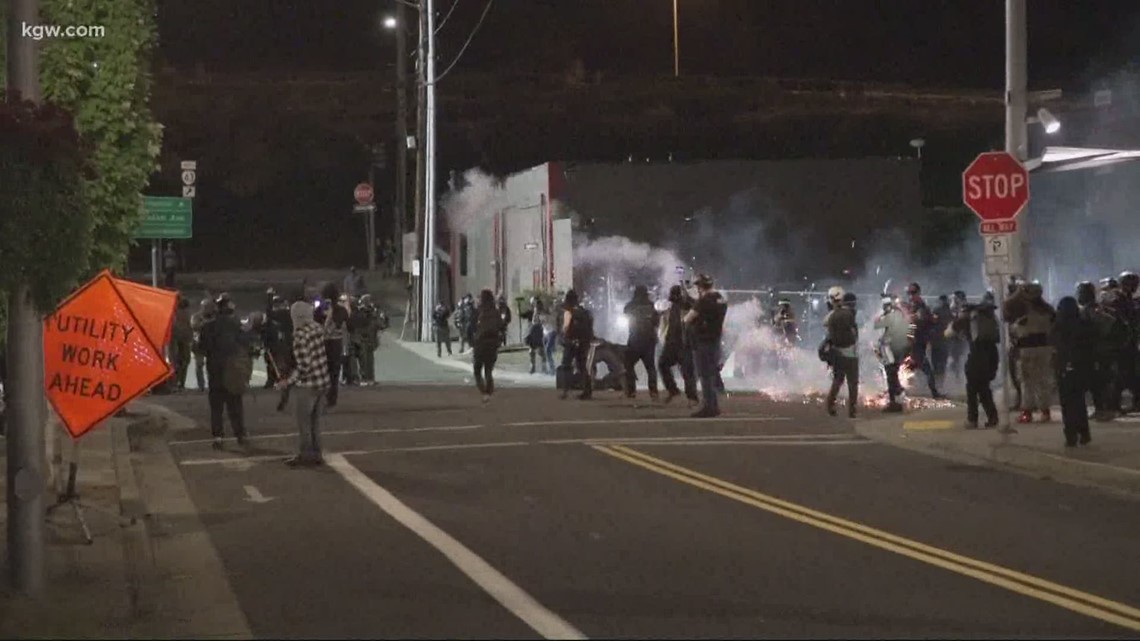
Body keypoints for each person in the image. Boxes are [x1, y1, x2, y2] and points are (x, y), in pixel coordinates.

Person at [276, 300, 331, 466]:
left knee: (304, 422)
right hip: (323, 381)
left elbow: (304, 365)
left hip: (308, 385)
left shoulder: (299, 335)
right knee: (315, 422)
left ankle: (306, 454)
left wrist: (287, 382)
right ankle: (317, 453)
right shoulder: (316, 328)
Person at [197, 293, 252, 449]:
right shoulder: (236, 326)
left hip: (215, 370)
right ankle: (240, 434)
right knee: (235, 404)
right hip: (232, 369)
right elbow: (245, 345)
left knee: (216, 406)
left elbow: (201, 348)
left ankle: (218, 436)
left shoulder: (207, 327)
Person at [1004, 281, 1056, 423]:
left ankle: (1027, 412)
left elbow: (1006, 310)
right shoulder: (1048, 310)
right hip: (1045, 349)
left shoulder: (1021, 312)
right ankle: (1045, 412)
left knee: (1027, 382)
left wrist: (1018, 293)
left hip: (1027, 350)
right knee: (1043, 380)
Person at [947, 292, 1000, 428]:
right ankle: (992, 417)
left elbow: (948, 332)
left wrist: (958, 324)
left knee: (972, 389)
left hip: (977, 355)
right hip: (992, 354)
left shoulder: (967, 319)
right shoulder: (988, 317)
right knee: (984, 388)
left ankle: (972, 419)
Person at [1050, 296, 1095, 446]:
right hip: (1082, 368)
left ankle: (1071, 435)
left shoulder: (1059, 326)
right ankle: (1084, 433)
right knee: (1079, 402)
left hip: (1065, 369)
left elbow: (1055, 344)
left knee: (1068, 404)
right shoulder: (1084, 324)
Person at [684, 274, 727, 418]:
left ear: (700, 286)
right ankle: (713, 405)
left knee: (705, 376)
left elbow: (687, 319)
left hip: (703, 341)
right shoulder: (720, 299)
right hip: (715, 340)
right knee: (711, 374)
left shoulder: (703, 301)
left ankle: (710, 406)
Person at [1077, 281, 1121, 421]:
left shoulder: (1093, 310)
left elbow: (1108, 324)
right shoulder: (1093, 309)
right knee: (1097, 381)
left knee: (1099, 381)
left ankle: (1104, 409)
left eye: (1081, 292)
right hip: (1099, 350)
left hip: (1098, 351)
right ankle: (1102, 408)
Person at [902, 283, 943, 399]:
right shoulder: (914, 306)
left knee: (910, 368)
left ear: (918, 292)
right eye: (909, 293)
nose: (911, 295)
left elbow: (916, 323)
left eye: (913, 293)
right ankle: (934, 393)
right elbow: (911, 324)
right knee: (924, 369)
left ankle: (895, 392)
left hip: (918, 342)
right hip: (914, 345)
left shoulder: (920, 306)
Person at [659, 285, 698, 405]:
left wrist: (686, 295)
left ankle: (692, 397)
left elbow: (696, 305)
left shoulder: (688, 306)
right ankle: (673, 390)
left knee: (687, 371)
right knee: (662, 364)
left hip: (684, 343)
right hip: (671, 342)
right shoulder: (672, 307)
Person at [824, 288, 859, 419]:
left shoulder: (833, 315)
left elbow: (828, 330)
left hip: (837, 352)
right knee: (853, 383)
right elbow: (854, 333)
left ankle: (830, 404)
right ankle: (852, 410)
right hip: (851, 353)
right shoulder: (850, 315)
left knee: (837, 380)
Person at [623, 285, 660, 399]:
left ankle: (631, 391)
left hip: (635, 339)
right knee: (650, 367)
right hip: (649, 340)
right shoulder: (651, 305)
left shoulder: (631, 305)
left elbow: (625, 312)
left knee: (628, 364)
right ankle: (653, 391)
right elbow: (656, 322)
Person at [873, 294, 908, 413]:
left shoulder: (890, 316)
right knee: (893, 374)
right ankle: (898, 393)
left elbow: (876, 324)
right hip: (899, 348)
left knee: (891, 374)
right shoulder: (900, 314)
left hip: (891, 349)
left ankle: (894, 401)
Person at [558, 289, 594, 400]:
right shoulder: (584, 311)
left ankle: (565, 391)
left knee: (566, 366)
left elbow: (566, 327)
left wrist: (563, 337)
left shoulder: (569, 312)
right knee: (582, 366)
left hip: (571, 342)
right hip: (583, 342)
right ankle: (587, 391)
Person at [472, 289, 503, 403]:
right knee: (488, 369)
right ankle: (489, 391)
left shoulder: (478, 311)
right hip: (493, 342)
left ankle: (484, 392)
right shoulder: (496, 312)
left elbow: (471, 326)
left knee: (477, 369)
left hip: (480, 342)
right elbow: (501, 325)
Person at [323, 290, 351, 408]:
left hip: (331, 341)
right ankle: (330, 398)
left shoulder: (339, 310)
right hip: (333, 341)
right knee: (332, 371)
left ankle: (329, 398)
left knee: (331, 370)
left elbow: (336, 324)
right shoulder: (340, 310)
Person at [190, 297, 217, 392]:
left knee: (212, 366)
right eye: (206, 307)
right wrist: (206, 323)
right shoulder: (196, 317)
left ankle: (212, 384)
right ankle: (201, 385)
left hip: (211, 344)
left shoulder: (215, 317)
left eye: (210, 307)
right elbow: (195, 326)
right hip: (199, 344)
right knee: (199, 365)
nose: (209, 309)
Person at [522, 297, 553, 374]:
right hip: (534, 331)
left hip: (540, 331)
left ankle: (544, 367)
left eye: (538, 305)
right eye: (536, 305)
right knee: (532, 350)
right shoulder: (534, 312)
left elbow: (545, 322)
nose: (536, 307)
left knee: (541, 350)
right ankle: (533, 366)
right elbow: (528, 318)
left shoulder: (543, 312)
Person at [170, 295, 194, 390]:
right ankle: (177, 383)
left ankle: (179, 383)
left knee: (183, 361)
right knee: (177, 361)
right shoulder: (174, 313)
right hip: (176, 338)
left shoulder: (184, 313)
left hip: (183, 339)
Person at [930, 294, 953, 390]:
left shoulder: (936, 311)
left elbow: (931, 323)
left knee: (936, 364)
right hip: (945, 341)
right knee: (942, 364)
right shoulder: (950, 312)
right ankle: (940, 385)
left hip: (936, 341)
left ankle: (937, 385)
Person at [946, 291, 969, 384]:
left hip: (962, 338)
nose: (954, 301)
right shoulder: (954, 308)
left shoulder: (964, 309)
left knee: (961, 358)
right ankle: (958, 377)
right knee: (956, 358)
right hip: (956, 338)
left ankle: (960, 378)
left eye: (955, 299)